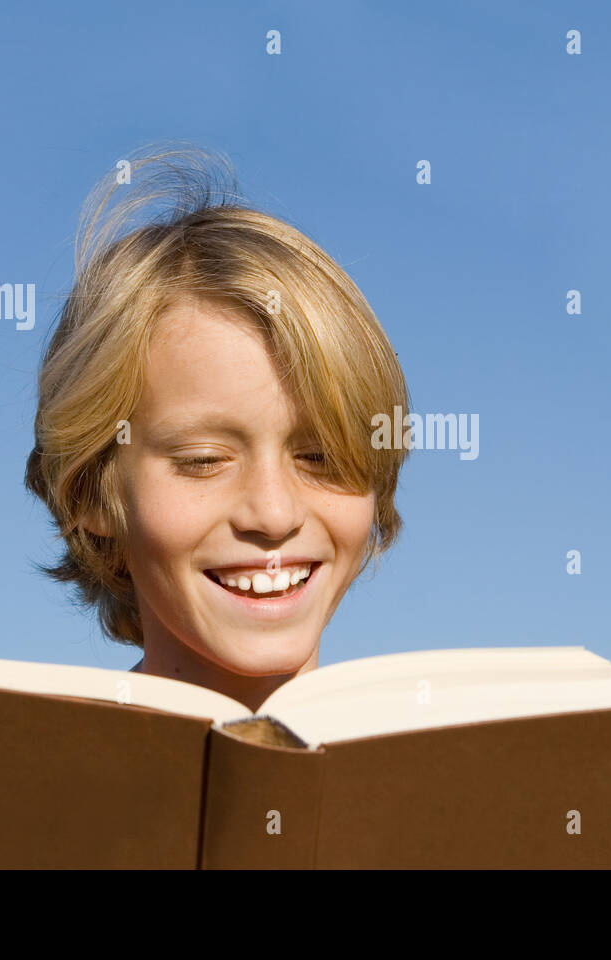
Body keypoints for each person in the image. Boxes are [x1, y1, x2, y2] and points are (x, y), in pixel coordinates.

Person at [24, 145, 410, 712]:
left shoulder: (459, 784)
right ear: (90, 492)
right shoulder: (9, 784)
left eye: (320, 458)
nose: (275, 515)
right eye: (203, 460)